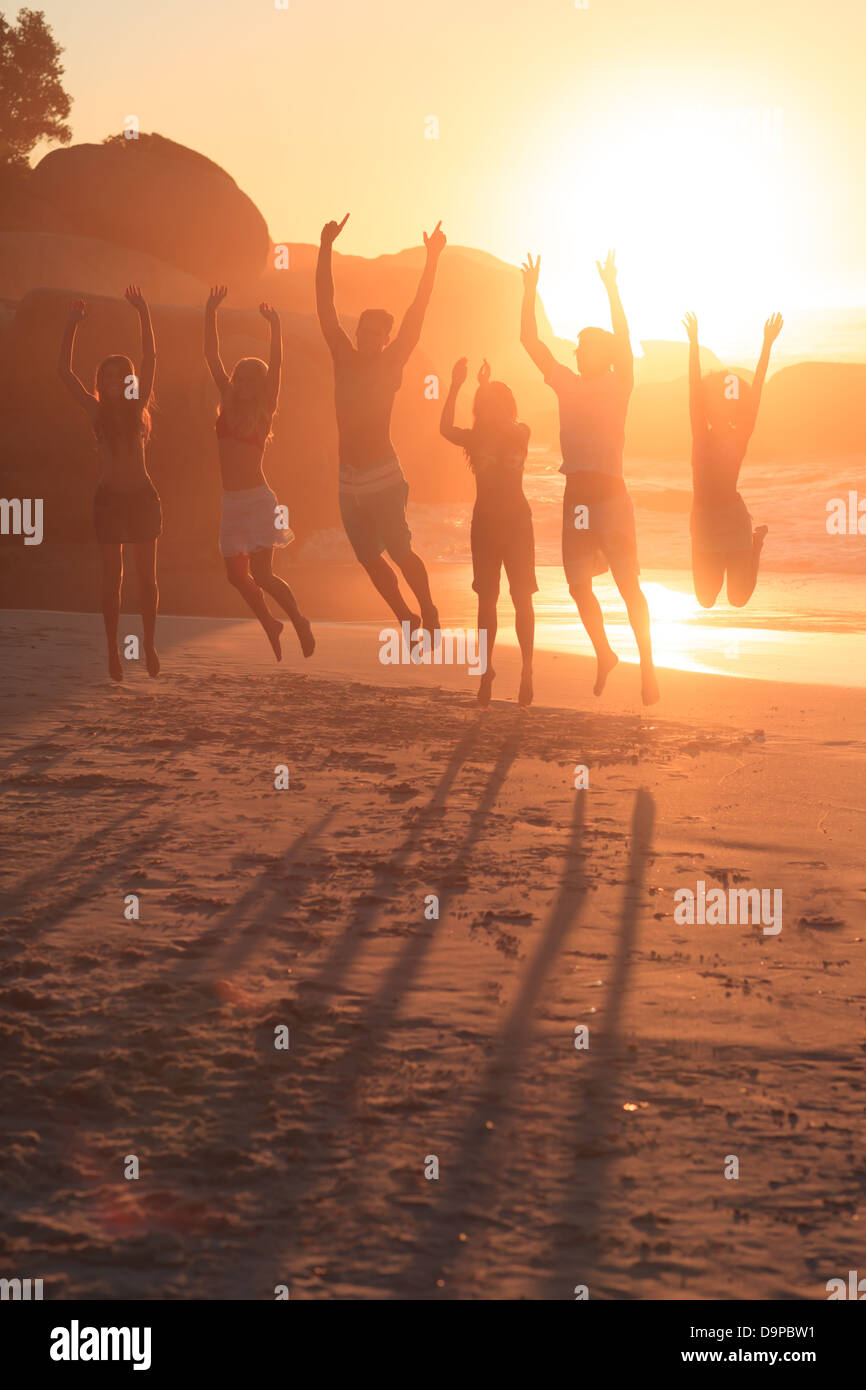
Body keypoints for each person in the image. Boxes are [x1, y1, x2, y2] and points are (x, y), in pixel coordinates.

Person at [520, 250, 658, 705]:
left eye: (586, 349)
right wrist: (528, 290)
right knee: (579, 585)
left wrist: (612, 286)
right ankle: (604, 652)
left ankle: (648, 668)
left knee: (626, 584)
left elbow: (624, 336)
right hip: (576, 500)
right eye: (578, 350)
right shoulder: (566, 382)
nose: (578, 356)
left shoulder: (620, 384)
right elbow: (530, 342)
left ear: (605, 354)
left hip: (611, 500)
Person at [316, 213, 445, 637]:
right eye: (363, 330)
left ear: (385, 339)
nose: (366, 337)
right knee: (369, 558)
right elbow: (325, 307)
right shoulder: (344, 357)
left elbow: (418, 312)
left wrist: (433, 259)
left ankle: (427, 607)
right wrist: (325, 249)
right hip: (348, 479)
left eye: (375, 333)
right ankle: (403, 616)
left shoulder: (392, 363)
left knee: (399, 550)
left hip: (384, 476)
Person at [204, 286, 314, 661]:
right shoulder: (227, 402)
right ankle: (271, 622)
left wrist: (276, 325)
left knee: (263, 575)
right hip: (232, 503)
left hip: (257, 500)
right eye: (241, 378)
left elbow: (278, 365)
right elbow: (211, 355)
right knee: (235, 576)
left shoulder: (265, 408)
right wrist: (210, 311)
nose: (245, 384)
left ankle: (298, 619)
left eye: (253, 379)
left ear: (262, 386)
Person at [57, 287, 162, 682]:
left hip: (142, 498)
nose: (115, 381)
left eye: (121, 376)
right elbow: (64, 373)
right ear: (101, 380)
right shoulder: (96, 410)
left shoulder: (138, 408)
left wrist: (144, 311)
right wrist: (71, 325)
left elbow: (151, 359)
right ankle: (112, 651)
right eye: (108, 376)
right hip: (109, 501)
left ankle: (148, 643)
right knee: (111, 579)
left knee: (147, 580)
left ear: (129, 381)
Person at [440, 357, 536, 706]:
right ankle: (486, 670)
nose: (493, 412)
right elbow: (444, 427)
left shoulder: (520, 432)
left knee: (522, 598)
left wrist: (484, 390)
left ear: (509, 408)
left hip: (517, 525)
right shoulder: (476, 439)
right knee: (487, 600)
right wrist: (455, 386)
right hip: (485, 525)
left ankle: (527, 670)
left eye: (499, 406)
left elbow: (505, 429)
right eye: (487, 407)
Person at [684, 311, 783, 607]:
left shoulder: (740, 435)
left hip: (732, 518)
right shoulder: (701, 434)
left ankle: (756, 544)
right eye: (715, 400)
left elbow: (757, 392)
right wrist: (693, 343)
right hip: (703, 520)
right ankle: (706, 550)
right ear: (707, 405)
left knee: (738, 599)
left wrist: (767, 345)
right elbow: (692, 391)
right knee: (705, 598)